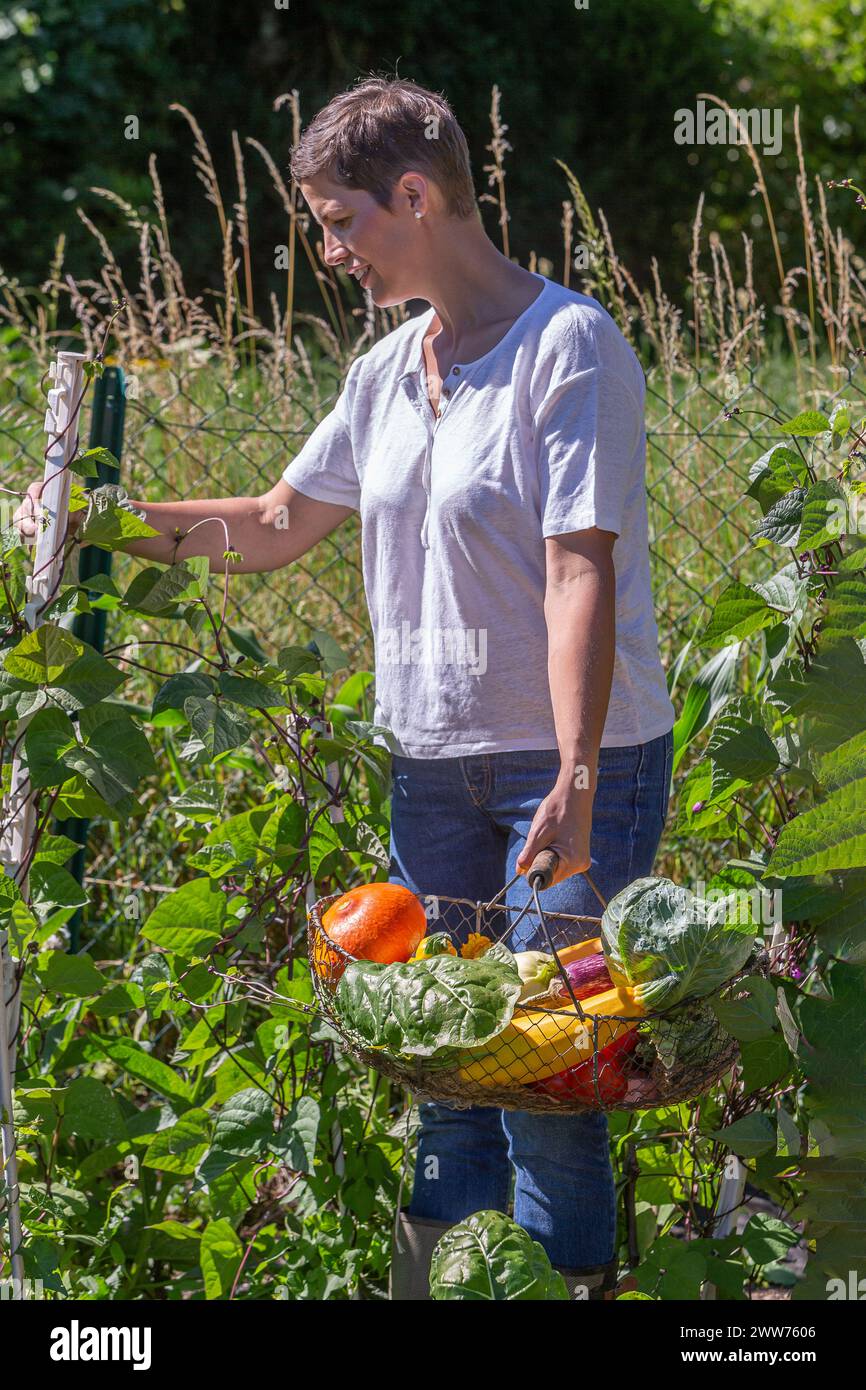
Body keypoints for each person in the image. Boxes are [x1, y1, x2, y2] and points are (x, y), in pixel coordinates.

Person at [17, 75, 676, 1300]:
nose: (326, 252)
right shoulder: (382, 373)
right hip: (428, 768)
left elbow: (577, 564)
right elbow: (271, 524)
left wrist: (578, 779)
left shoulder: (567, 348)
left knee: (544, 1083)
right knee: (443, 1082)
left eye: (336, 221)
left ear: (414, 197)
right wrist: (90, 519)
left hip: (569, 769)